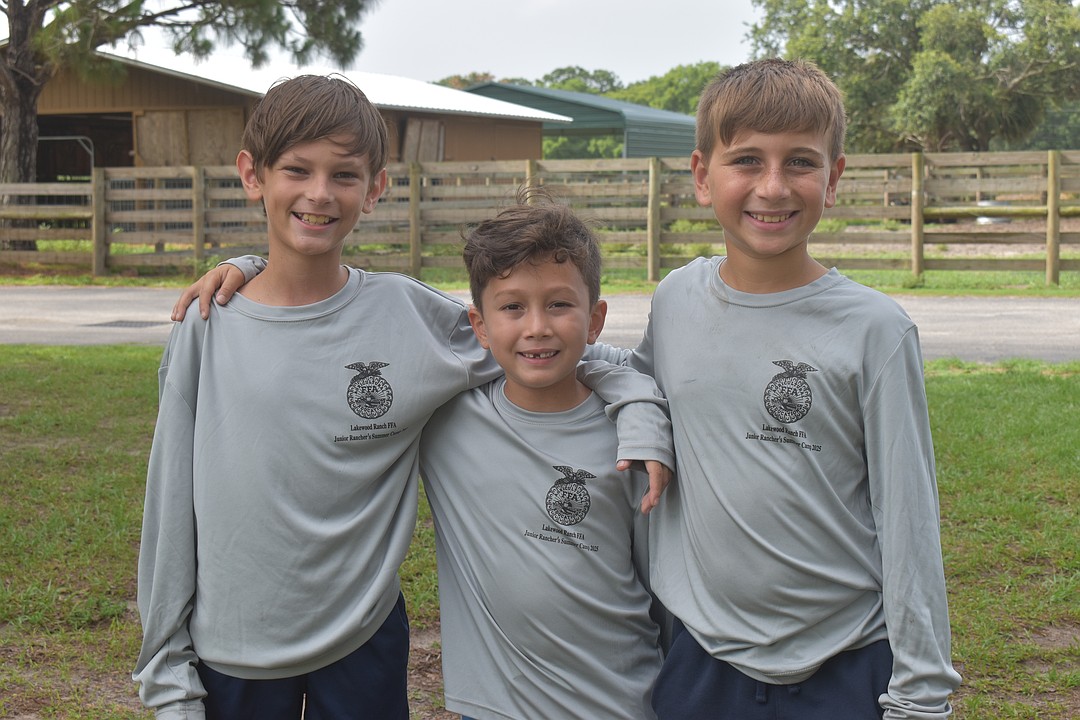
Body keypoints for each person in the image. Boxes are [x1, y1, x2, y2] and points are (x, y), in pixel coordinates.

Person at [139, 76, 670, 720]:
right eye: (297, 171)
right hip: (233, 652)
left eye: (343, 175)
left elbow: (566, 350)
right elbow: (168, 506)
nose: (318, 193)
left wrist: (638, 409)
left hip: (364, 644)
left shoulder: (409, 314)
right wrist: (166, 673)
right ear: (253, 175)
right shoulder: (207, 325)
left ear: (377, 187)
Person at [588, 58, 962, 718]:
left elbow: (909, 522)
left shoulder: (875, 332)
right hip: (702, 663)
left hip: (844, 665)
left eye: (800, 162)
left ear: (834, 177)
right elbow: (631, 379)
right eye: (747, 161)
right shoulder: (676, 300)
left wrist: (921, 694)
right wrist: (640, 418)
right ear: (703, 177)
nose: (773, 186)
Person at [418, 190, 672, 719]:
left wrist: (638, 402)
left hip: (618, 704)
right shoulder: (444, 419)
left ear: (595, 318)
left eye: (559, 304)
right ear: (480, 326)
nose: (537, 327)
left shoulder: (632, 442)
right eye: (513, 307)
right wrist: (248, 266)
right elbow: (346, 312)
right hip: (492, 707)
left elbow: (662, 583)